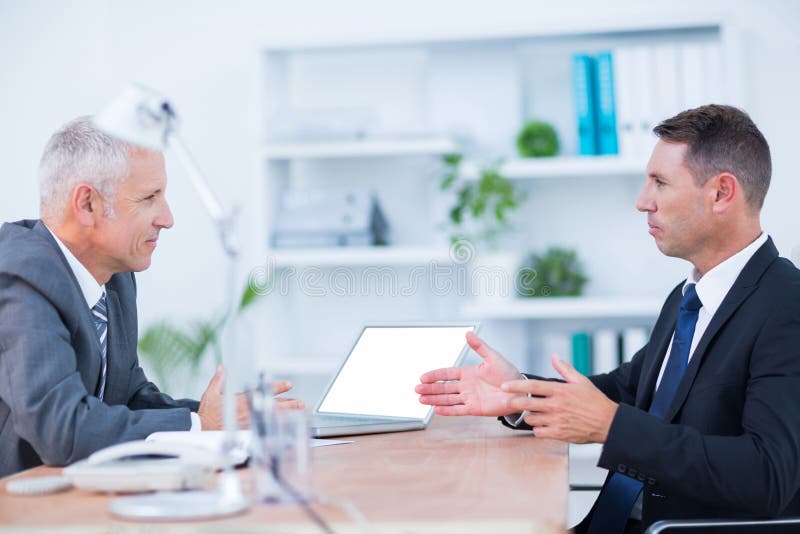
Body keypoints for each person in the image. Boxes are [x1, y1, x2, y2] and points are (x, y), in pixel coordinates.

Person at [416, 104, 800, 533]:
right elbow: (627, 390)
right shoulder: (688, 296)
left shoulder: (787, 306)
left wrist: (610, 428)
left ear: (721, 194)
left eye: (660, 182)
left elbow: (769, 475)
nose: (643, 201)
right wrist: (521, 394)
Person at [0, 116, 300, 478]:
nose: (167, 218)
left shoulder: (116, 276)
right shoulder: (18, 278)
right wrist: (198, 425)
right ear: (88, 204)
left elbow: (127, 396)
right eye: (149, 197)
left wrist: (227, 416)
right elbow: (61, 430)